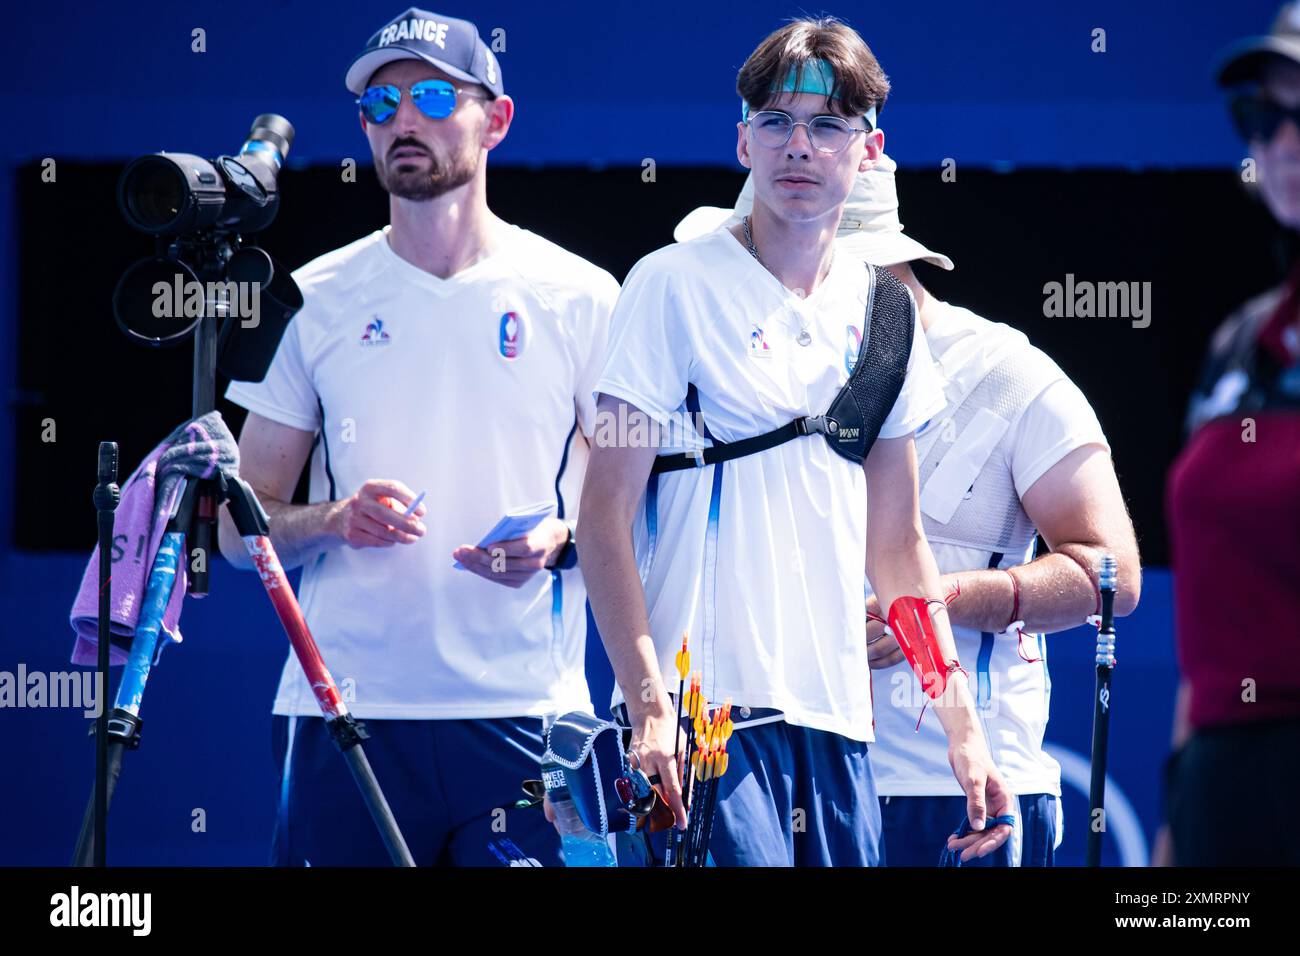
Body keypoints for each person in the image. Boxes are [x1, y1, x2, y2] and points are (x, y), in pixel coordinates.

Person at [578, 16, 1014, 866]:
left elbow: (901, 548)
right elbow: (603, 517)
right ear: (742, 141)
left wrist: (964, 726)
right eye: (775, 122)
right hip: (707, 721)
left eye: (825, 126)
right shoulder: (668, 286)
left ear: (869, 148)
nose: (799, 147)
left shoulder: (888, 316)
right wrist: (648, 705)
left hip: (842, 726)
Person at [217, 6, 619, 866]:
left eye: (435, 96)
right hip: (345, 716)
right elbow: (234, 523)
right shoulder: (312, 297)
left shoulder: (583, 297)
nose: (405, 119)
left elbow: (642, 506)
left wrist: (561, 539)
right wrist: (330, 519)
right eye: (381, 103)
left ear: (497, 120)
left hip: (529, 716)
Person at [680, 157, 1142, 867]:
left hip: (953, 790)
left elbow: (1111, 573)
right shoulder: (764, 370)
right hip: (789, 766)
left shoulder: (1012, 376)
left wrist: (936, 603)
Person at [1160, 3, 1300, 866]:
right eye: (1264, 116)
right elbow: (1209, 603)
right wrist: (1181, 800)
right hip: (1221, 780)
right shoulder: (1240, 340)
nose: (1282, 142)